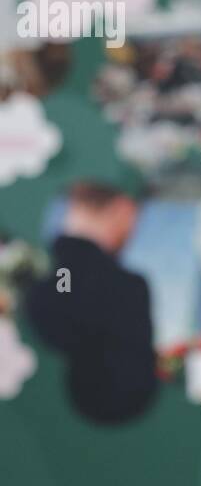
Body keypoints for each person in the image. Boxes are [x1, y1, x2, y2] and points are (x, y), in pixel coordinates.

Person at [25, 180, 157, 424]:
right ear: (122, 208)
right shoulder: (127, 286)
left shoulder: (42, 290)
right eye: (132, 223)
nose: (130, 234)